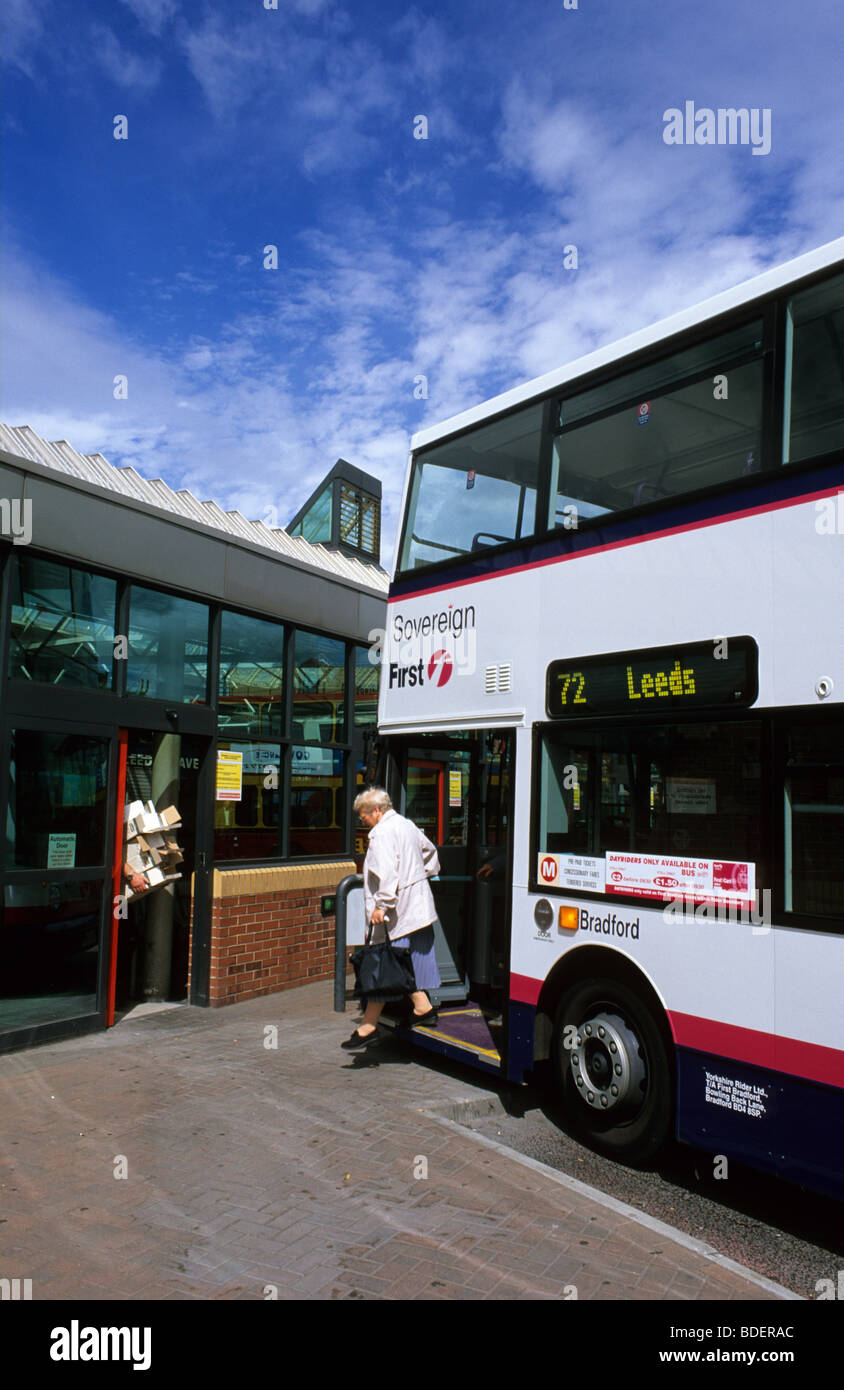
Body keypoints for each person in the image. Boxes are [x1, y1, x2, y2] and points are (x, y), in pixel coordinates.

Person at [342, 787, 441, 1050]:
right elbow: (431, 854)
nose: (362, 820)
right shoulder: (407, 825)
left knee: (384, 964)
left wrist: (382, 906)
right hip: (417, 908)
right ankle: (420, 1007)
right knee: (395, 963)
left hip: (397, 912)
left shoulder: (382, 834)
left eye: (363, 814)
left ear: (376, 810)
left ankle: (369, 1026)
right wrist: (420, 874)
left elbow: (388, 874)